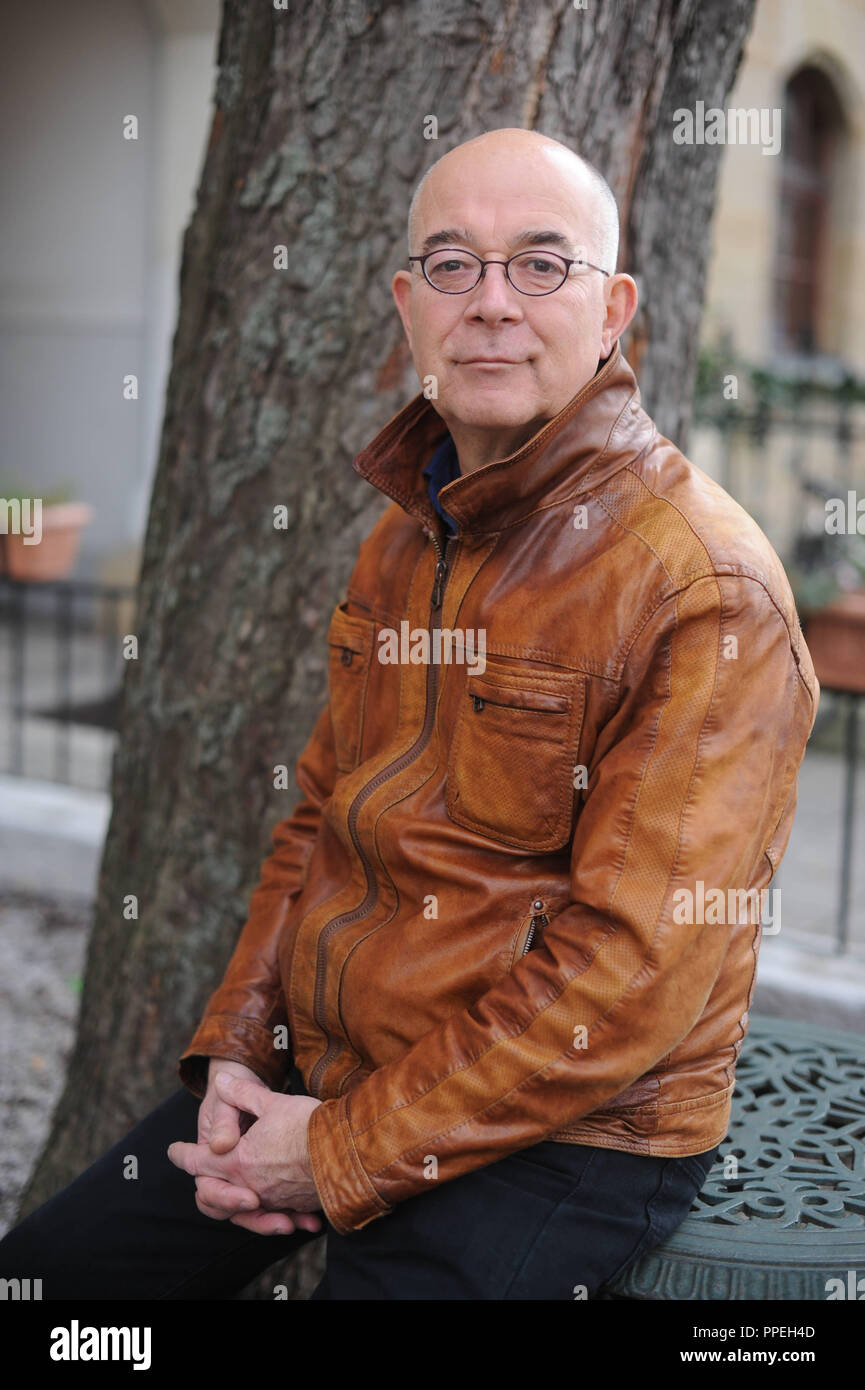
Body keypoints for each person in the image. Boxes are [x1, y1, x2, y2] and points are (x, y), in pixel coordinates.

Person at [0, 128, 818, 1300]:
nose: (490, 302)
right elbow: (323, 817)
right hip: (343, 1074)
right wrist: (241, 1052)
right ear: (406, 304)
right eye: (451, 263)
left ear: (615, 308)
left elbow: (630, 977)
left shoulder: (701, 586)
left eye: (541, 264)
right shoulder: (407, 533)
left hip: (572, 1133)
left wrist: (330, 1154)